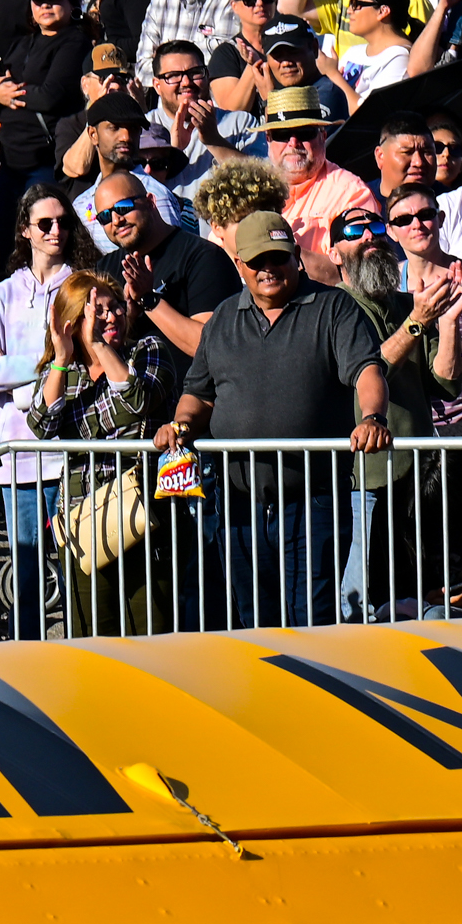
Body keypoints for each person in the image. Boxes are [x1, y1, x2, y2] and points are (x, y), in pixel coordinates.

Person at [159, 208, 392, 625]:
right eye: (256, 261)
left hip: (313, 498)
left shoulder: (334, 307)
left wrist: (373, 417)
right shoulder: (222, 319)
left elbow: (367, 370)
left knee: (312, 619)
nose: (268, 269)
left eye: (277, 257)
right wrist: (180, 426)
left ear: (295, 257)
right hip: (236, 502)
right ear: (239, 265)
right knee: (254, 622)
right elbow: (199, 394)